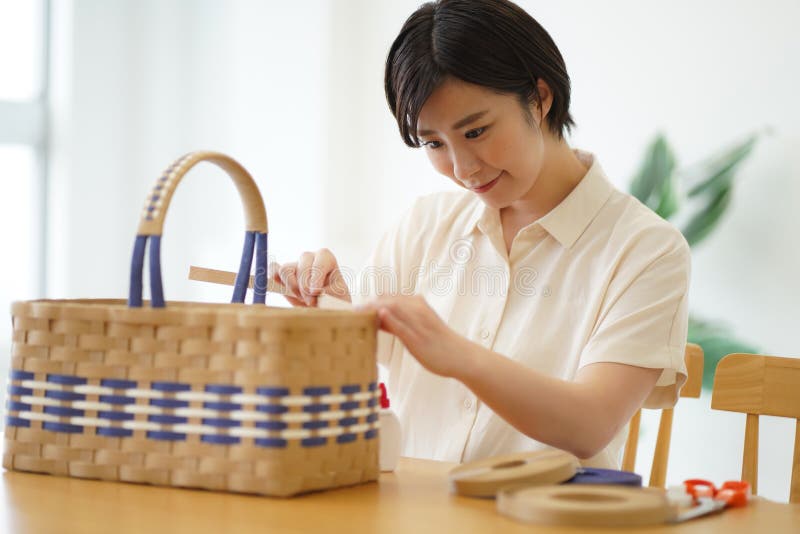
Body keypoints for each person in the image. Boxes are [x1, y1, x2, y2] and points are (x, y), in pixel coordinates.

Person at [272, 0, 689, 468]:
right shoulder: (425, 223)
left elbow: (590, 425)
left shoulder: (646, 249)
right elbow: (374, 346)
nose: (462, 168)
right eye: (434, 143)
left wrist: (458, 355)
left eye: (476, 131)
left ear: (540, 98)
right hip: (410, 512)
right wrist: (331, 303)